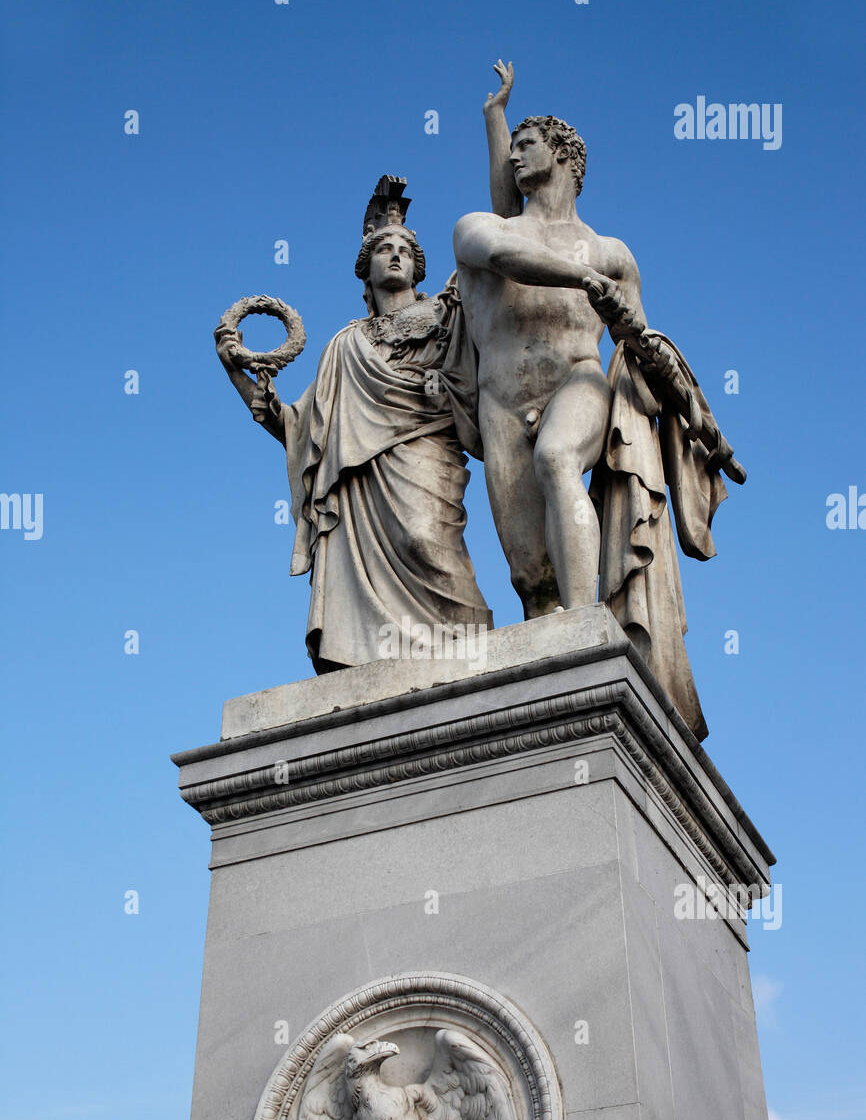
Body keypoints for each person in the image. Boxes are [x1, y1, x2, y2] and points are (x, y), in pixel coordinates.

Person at [454, 63, 739, 739]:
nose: (517, 152)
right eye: (511, 144)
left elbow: (640, 345)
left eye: (529, 141)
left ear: (564, 156)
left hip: (578, 383)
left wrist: (697, 417)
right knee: (531, 577)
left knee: (559, 459)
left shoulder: (612, 251)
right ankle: (554, 683)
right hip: (498, 403)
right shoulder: (476, 229)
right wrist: (586, 281)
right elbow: (505, 259)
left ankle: (586, 636)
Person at [216, 177, 491, 673]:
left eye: (403, 249)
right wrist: (236, 371)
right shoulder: (346, 346)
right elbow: (301, 429)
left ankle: (469, 651)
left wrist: (448, 389)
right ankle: (363, 656)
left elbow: (481, 377)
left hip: (427, 448)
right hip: (360, 486)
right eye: (383, 248)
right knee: (382, 548)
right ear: (365, 271)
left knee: (428, 541)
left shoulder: (447, 315)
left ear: (417, 265)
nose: (394, 255)